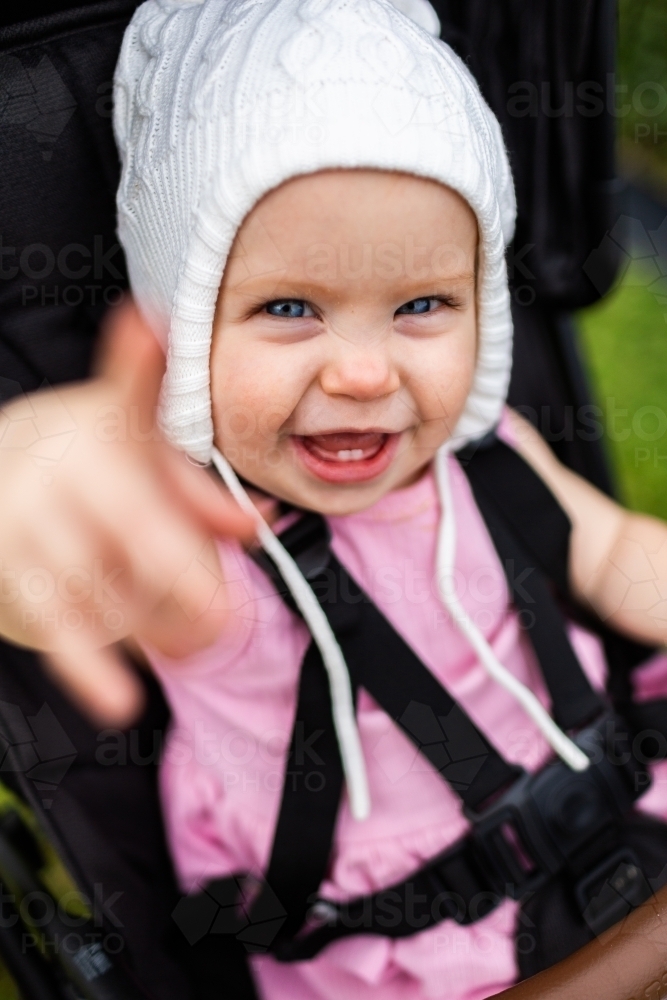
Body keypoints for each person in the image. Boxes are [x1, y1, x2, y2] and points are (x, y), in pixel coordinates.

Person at [1, 0, 667, 998]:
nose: (363, 370)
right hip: (405, 959)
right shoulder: (201, 557)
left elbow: (611, 555)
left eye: (420, 306)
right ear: (180, 330)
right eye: (288, 308)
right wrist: (35, 473)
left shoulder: (492, 459)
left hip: (622, 812)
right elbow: (50, 554)